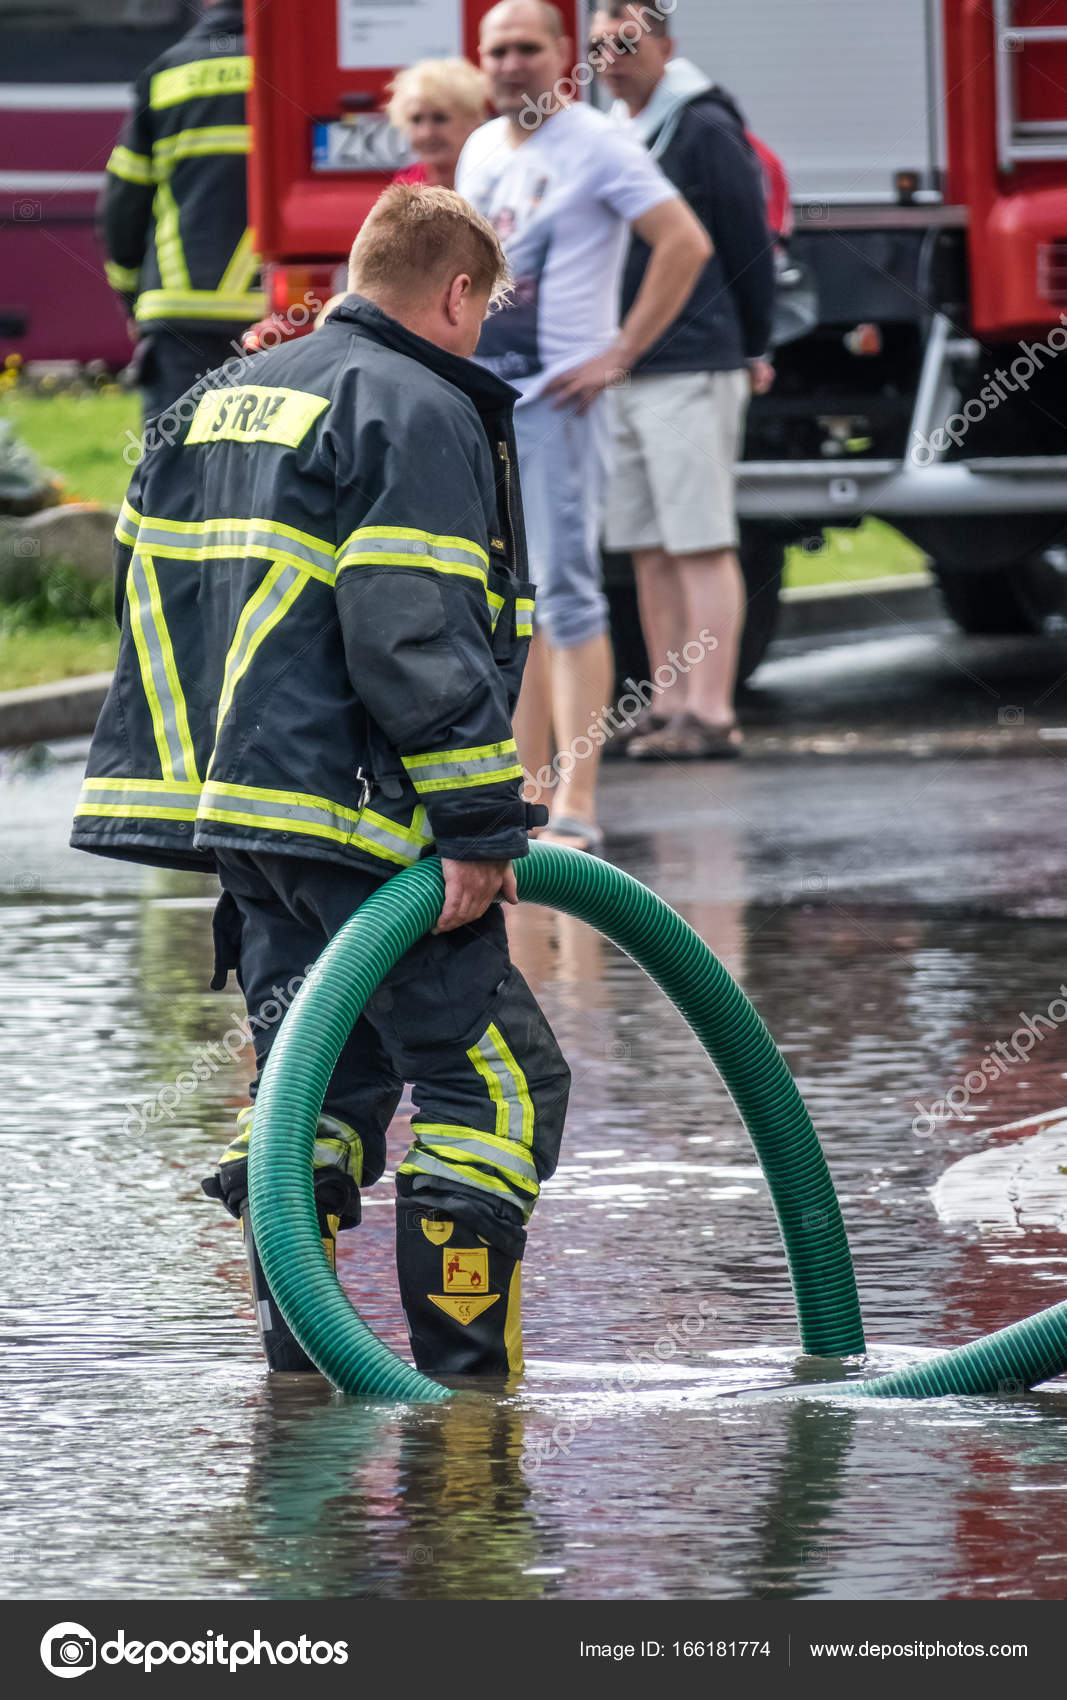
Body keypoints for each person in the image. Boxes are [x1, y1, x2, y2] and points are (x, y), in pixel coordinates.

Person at [70, 185, 571, 1381]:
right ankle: (458, 1400)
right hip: (357, 818)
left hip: (241, 820)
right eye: (481, 310)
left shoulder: (208, 399)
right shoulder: (416, 404)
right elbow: (412, 623)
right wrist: (475, 820)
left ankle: (301, 1368)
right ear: (456, 292)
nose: (479, 336)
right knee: (496, 1085)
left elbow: (165, 605)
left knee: (319, 1078)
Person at [456, 0, 711, 852]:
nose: (512, 64)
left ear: (561, 54)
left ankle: (577, 802)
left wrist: (619, 353)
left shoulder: (599, 143)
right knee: (505, 604)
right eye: (498, 50)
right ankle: (528, 798)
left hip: (558, 407)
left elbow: (683, 243)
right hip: (483, 407)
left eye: (529, 48)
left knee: (565, 595)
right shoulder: (482, 149)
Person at [592, 1, 777, 760]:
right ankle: (667, 705)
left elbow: (746, 242)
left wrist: (754, 344)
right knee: (646, 547)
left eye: (628, 41)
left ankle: (711, 709)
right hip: (628, 368)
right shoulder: (616, 131)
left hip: (695, 362)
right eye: (600, 43)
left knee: (699, 541)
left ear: (667, 46)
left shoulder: (700, 127)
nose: (612, 55)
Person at [99, 0, 265, 430]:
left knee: (174, 473)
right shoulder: (295, 66)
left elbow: (124, 200)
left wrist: (129, 294)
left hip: (180, 312)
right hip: (280, 310)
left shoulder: (165, 73)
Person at [387, 57, 489, 188]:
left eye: (440, 118)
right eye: (416, 119)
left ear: (474, 121)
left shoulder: (494, 178)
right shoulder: (405, 184)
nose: (426, 133)